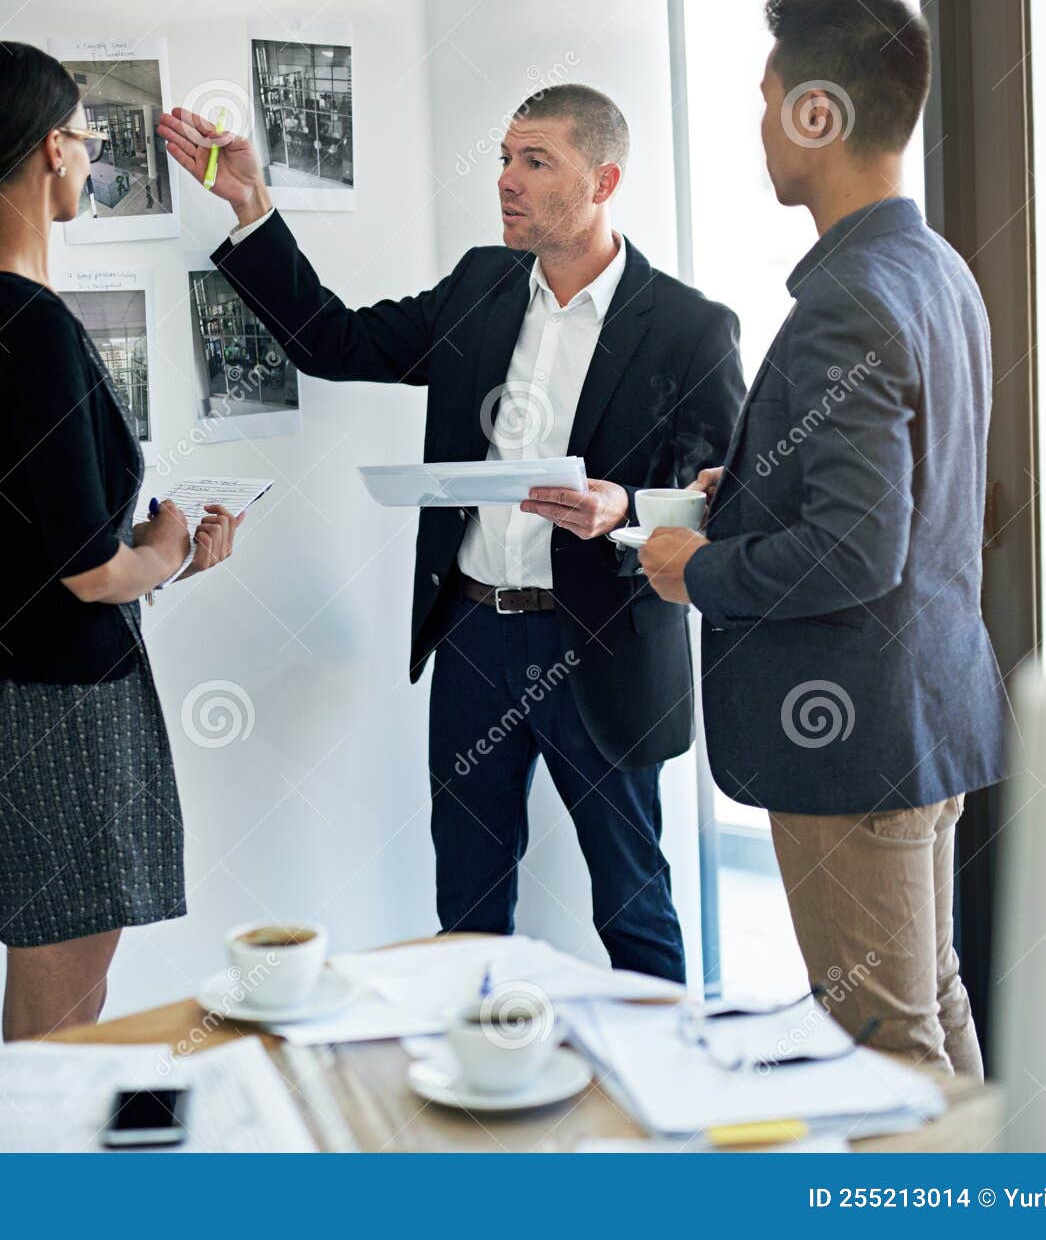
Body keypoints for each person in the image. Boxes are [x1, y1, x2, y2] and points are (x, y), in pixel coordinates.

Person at [159, 86, 744, 982]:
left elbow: (718, 500)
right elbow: (333, 342)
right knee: (467, 913)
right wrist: (250, 205)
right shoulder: (481, 284)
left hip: (602, 647)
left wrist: (622, 506)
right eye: (504, 157)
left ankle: (659, 1108)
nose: (505, 180)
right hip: (473, 637)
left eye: (534, 161)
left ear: (605, 179)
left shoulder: (689, 327)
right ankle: (475, 1102)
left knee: (634, 909)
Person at [638, 0, 1008, 1075]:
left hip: (852, 740)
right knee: (926, 1007)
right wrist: (747, 486)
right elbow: (906, 498)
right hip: (921, 714)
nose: (758, 126)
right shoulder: (932, 269)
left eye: (766, 100)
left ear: (817, 114)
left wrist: (697, 567)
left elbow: (855, 551)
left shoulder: (849, 296)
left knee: (884, 1046)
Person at [0, 41, 245, 1041]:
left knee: (62, 986)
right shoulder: (32, 323)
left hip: (10, 691)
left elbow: (37, 546)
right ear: (54, 148)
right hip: (62, 710)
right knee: (65, 1000)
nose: (90, 160)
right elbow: (92, 571)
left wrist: (155, 554)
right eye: (89, 140)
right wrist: (169, 547)